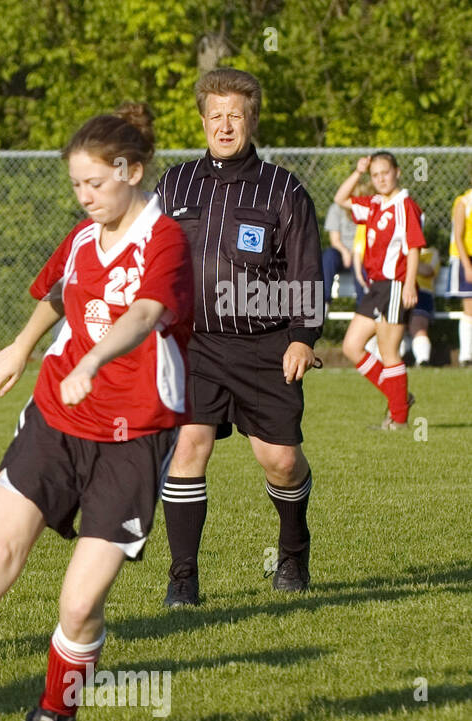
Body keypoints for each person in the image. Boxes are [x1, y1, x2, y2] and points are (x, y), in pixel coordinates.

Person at [0, 104, 193, 721]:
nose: (85, 197)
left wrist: (93, 358)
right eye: (77, 185)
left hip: (134, 439)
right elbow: (57, 292)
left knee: (79, 605)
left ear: (133, 172)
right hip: (56, 419)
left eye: (97, 184)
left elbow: (144, 312)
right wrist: (22, 346)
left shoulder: (164, 238)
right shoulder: (84, 238)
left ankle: (57, 712)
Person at [154, 68, 323, 605]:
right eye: (216, 116)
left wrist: (303, 336)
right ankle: (183, 580)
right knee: (188, 449)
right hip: (194, 345)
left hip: (265, 346)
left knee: (279, 460)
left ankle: (293, 550)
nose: (225, 126)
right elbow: (147, 255)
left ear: (251, 120)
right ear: (203, 120)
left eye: (236, 115)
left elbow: (305, 271)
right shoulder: (175, 184)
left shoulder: (283, 188)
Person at [333, 152, 426, 428]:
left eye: (385, 172)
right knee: (351, 346)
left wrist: (409, 284)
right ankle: (399, 398)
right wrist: (358, 172)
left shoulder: (404, 205)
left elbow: (413, 249)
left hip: (396, 285)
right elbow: (340, 200)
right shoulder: (374, 204)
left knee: (389, 352)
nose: (381, 178)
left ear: (397, 172)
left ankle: (398, 418)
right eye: (375, 175)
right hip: (376, 288)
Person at [448, 173, 472, 366]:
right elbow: (458, 235)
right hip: (467, 258)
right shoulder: (464, 202)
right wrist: (467, 265)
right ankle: (466, 356)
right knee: (470, 307)